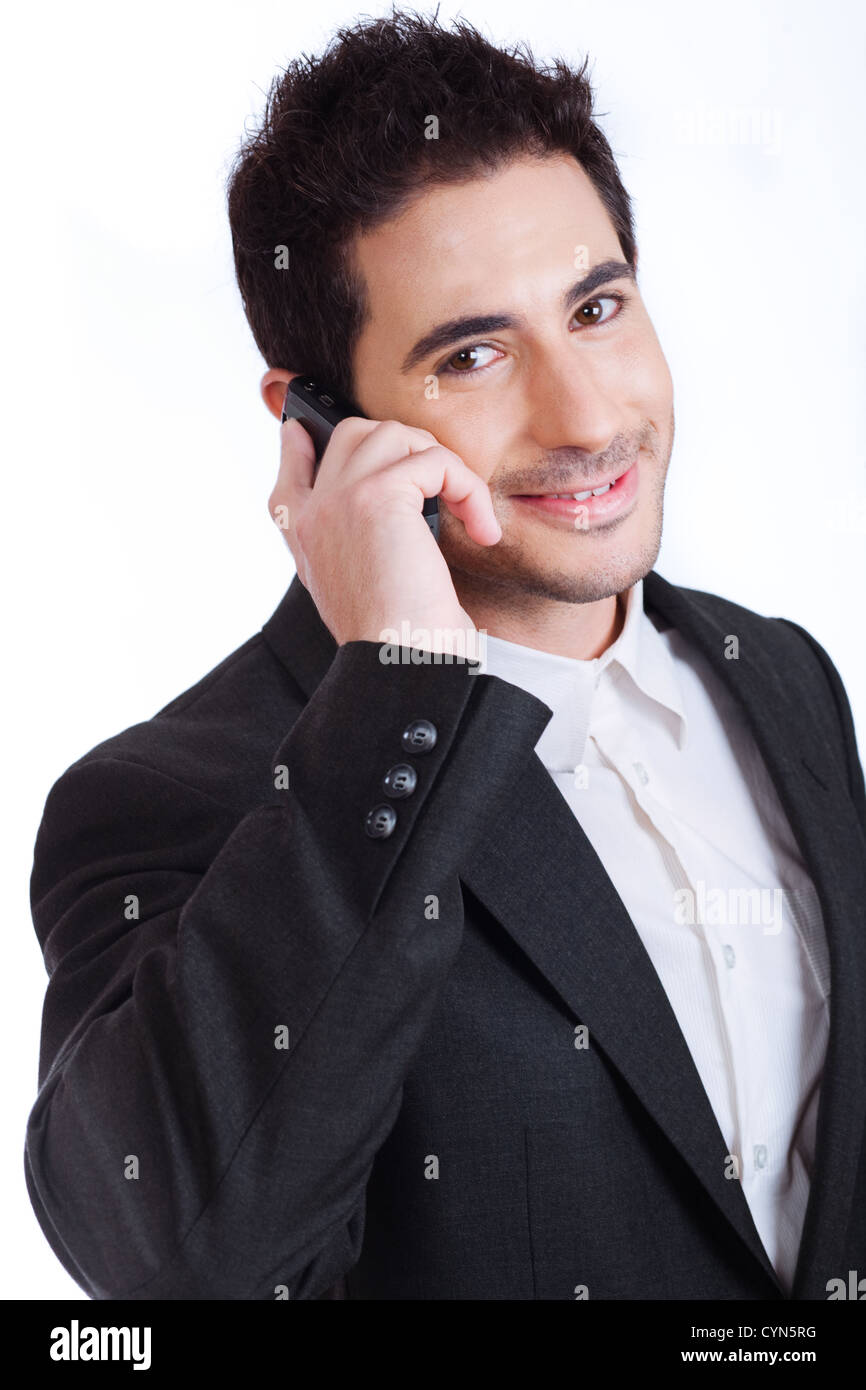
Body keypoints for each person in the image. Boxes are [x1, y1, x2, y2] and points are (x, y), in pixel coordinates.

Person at [25, 10, 866, 1301]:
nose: (585, 416)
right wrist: (400, 678)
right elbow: (184, 1264)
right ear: (315, 425)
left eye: (596, 307)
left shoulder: (780, 676)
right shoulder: (172, 796)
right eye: (472, 354)